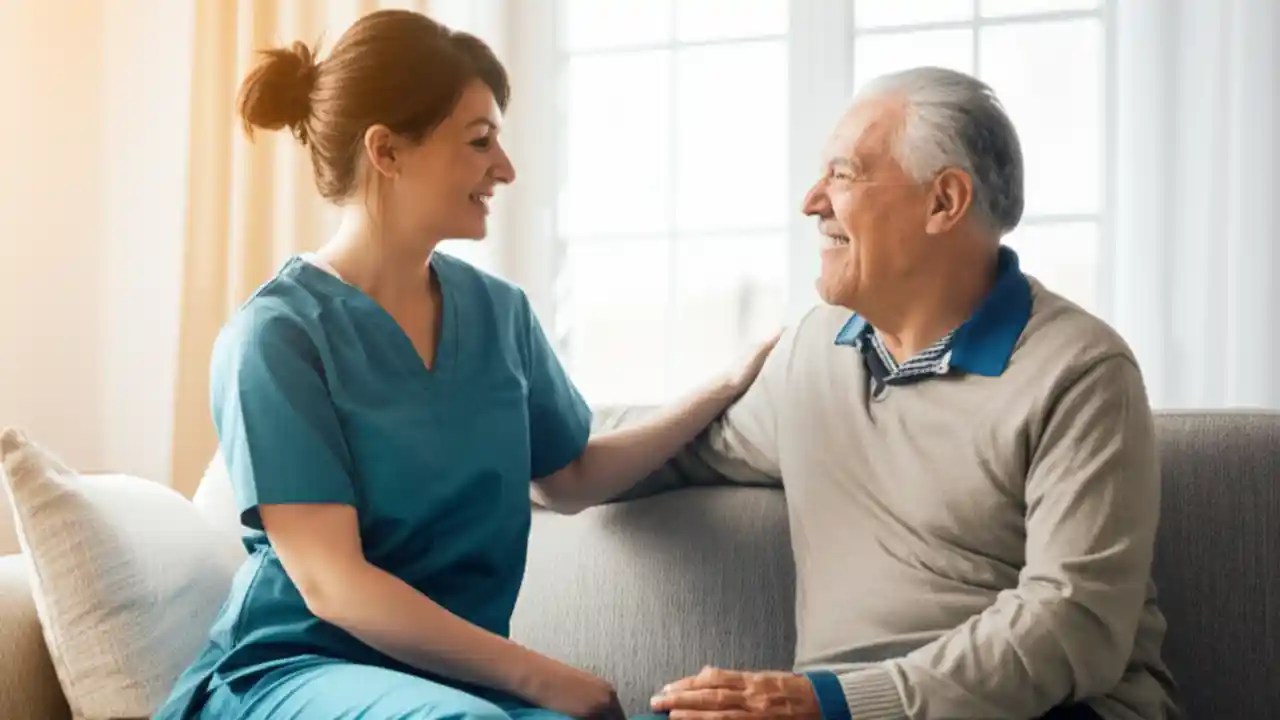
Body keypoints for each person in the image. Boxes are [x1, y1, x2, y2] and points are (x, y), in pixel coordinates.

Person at [154, 10, 775, 720]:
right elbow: (333, 583)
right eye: (480, 142)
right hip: (294, 672)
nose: (504, 169)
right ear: (386, 151)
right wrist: (542, 676)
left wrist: (725, 385)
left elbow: (573, 477)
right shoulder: (277, 336)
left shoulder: (499, 314)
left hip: (451, 686)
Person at [641, 67, 1180, 719]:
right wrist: (513, 434)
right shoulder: (816, 352)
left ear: (944, 202)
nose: (811, 201)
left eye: (842, 175)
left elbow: (1072, 623)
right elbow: (667, 453)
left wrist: (837, 701)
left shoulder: (1080, 370)